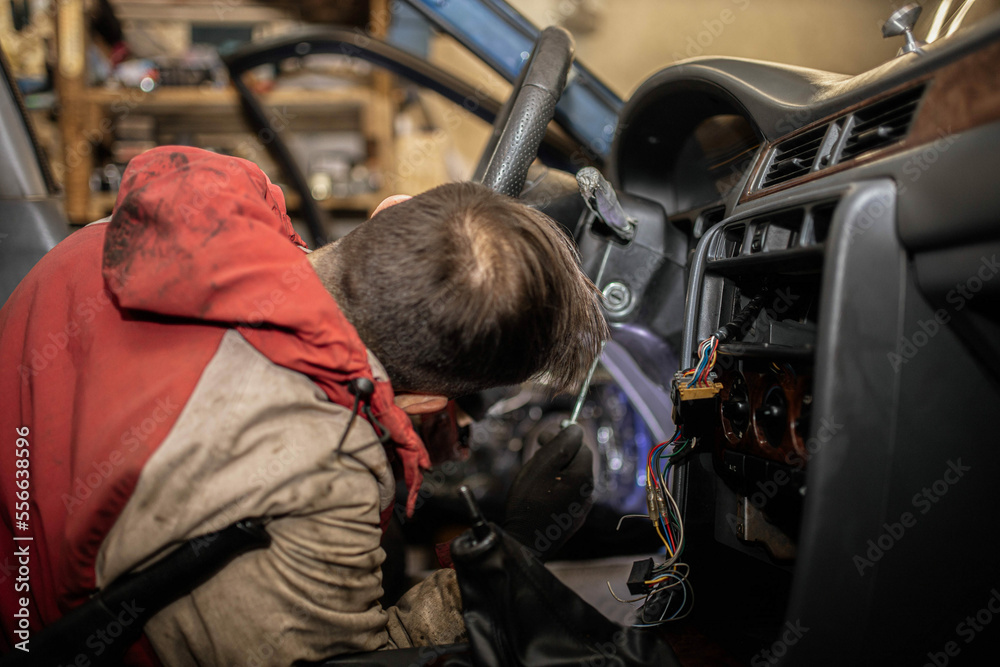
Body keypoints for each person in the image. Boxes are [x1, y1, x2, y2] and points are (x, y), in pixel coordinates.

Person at [0, 146, 608, 665]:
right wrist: (513, 553)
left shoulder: (120, 239)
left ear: (387, 211)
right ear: (422, 399)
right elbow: (359, 662)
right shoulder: (318, 476)